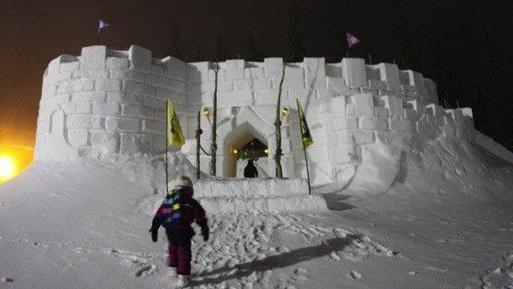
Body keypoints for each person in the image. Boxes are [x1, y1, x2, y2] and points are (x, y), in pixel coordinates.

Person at [150, 175, 209, 287]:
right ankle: (183, 277)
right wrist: (204, 228)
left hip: (170, 231)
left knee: (173, 249)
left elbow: (159, 215)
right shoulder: (191, 202)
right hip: (183, 232)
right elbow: (200, 216)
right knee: (184, 253)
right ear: (190, 189)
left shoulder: (169, 199)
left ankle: (173, 270)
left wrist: (154, 229)